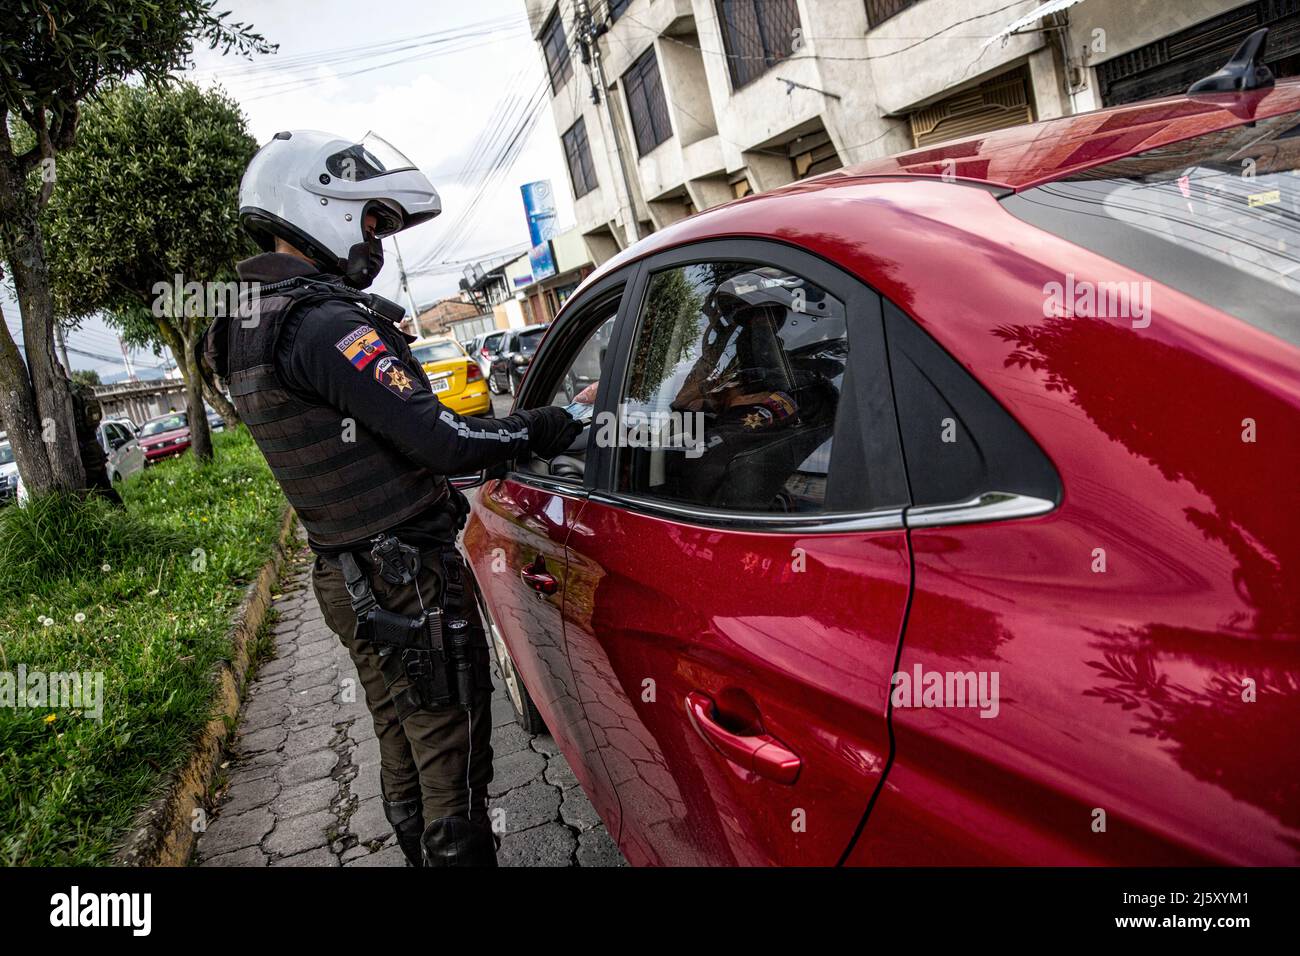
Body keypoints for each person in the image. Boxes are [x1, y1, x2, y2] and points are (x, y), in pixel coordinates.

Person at [202, 130, 582, 866]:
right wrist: (541, 427)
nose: (375, 243)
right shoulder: (323, 324)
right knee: (451, 750)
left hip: (343, 575)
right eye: (372, 223)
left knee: (401, 735)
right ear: (317, 206)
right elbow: (444, 444)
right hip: (406, 578)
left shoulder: (238, 324)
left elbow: (374, 432)